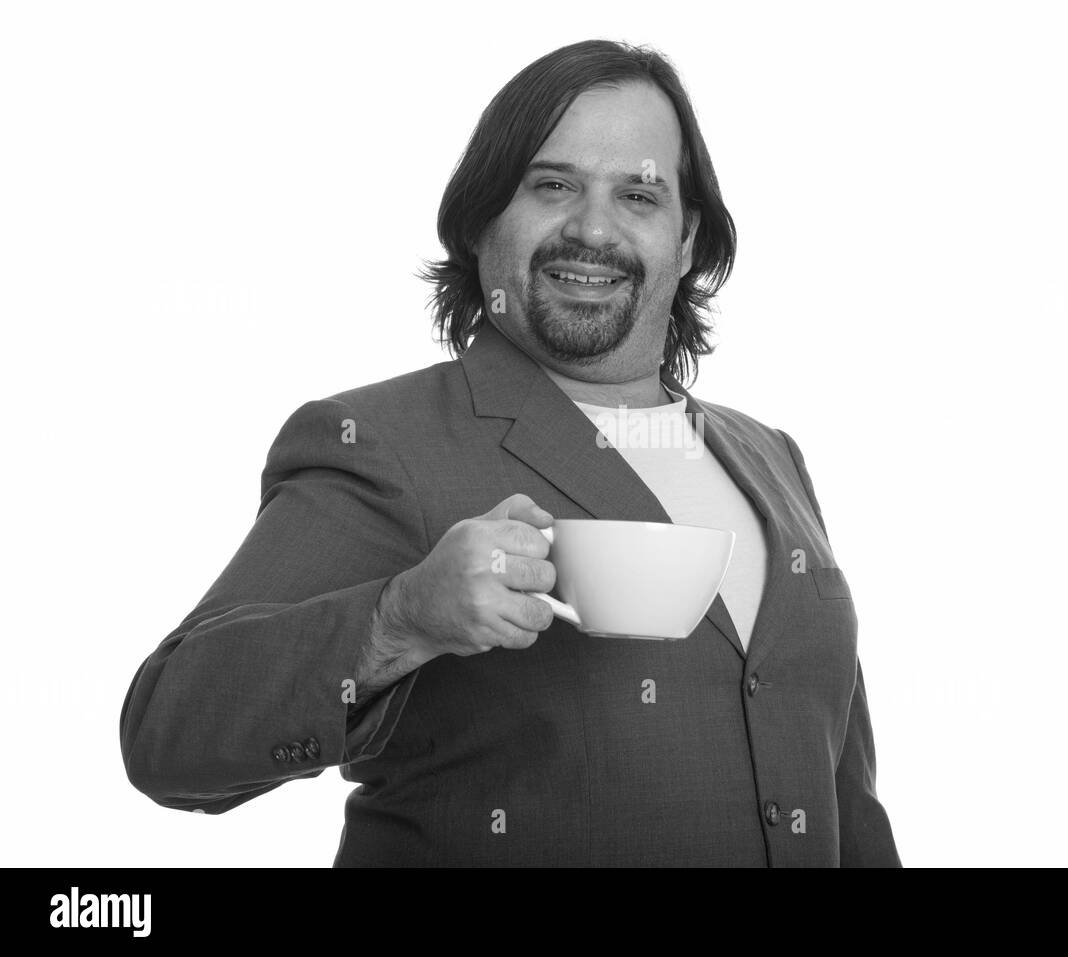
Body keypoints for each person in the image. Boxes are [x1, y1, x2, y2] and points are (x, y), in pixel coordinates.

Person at [119, 38, 902, 867]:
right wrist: (401, 617)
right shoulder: (384, 442)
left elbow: (844, 797)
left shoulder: (770, 457)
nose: (593, 227)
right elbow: (169, 735)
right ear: (485, 213)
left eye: (639, 194)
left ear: (685, 235)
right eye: (553, 184)